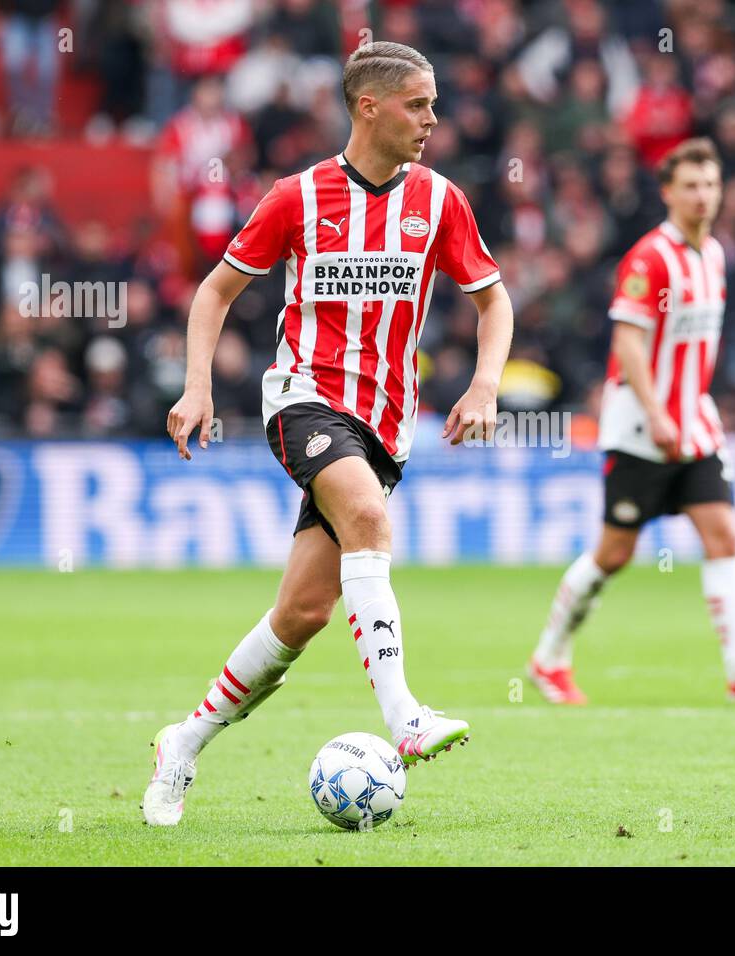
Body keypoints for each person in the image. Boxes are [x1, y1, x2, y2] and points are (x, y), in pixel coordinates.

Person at [143, 41, 514, 826]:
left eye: (435, 103)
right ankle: (404, 716)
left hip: (386, 426)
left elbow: (494, 302)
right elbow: (214, 293)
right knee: (371, 522)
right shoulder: (296, 197)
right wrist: (198, 386)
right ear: (368, 107)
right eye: (419, 104)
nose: (433, 119)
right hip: (304, 399)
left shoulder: (441, 200)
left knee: (302, 614)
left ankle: (183, 741)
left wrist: (485, 385)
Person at [527, 137, 735, 706]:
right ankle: (548, 658)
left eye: (710, 185)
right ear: (668, 193)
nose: (703, 197)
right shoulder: (651, 257)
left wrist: (688, 407)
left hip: (695, 422)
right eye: (691, 187)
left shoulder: (716, 255)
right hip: (639, 425)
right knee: (613, 553)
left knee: (723, 534)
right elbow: (628, 342)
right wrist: (656, 412)